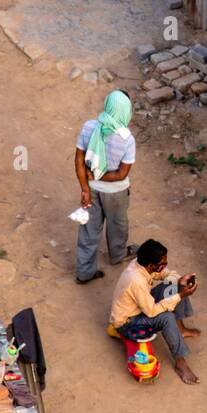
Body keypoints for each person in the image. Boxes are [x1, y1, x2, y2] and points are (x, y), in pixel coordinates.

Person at [110, 239, 201, 385]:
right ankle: (180, 363)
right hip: (128, 322)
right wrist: (181, 296)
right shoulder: (136, 280)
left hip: (140, 306)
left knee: (175, 286)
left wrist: (179, 280)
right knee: (167, 317)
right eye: (162, 264)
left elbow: (164, 274)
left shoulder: (141, 263)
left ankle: (181, 330)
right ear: (151, 265)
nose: (164, 266)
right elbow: (152, 312)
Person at [74, 90, 135, 282]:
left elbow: (79, 160)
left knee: (89, 230)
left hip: (91, 188)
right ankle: (117, 255)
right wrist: (101, 175)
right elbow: (121, 174)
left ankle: (84, 273)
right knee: (117, 226)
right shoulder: (127, 139)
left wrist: (86, 187)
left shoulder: (89, 127)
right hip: (116, 193)